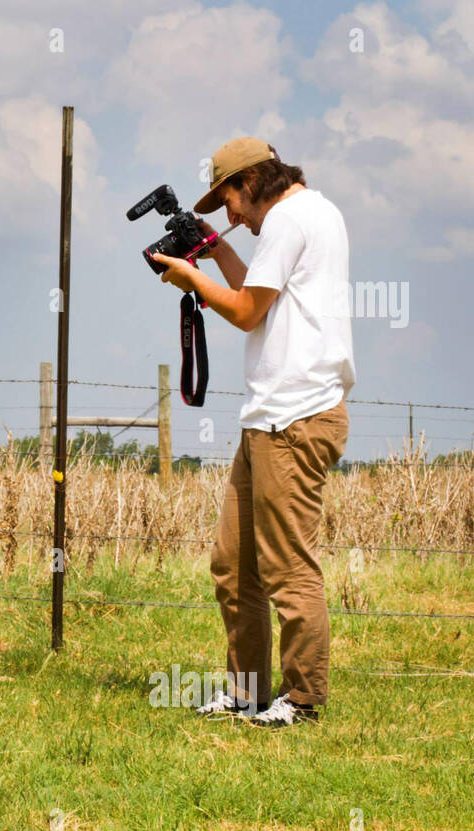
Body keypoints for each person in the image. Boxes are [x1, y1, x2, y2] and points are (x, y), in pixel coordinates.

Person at [149, 137, 355, 727]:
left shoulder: (290, 219)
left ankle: (304, 700)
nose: (229, 215)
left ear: (253, 179)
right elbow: (253, 296)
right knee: (234, 563)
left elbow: (242, 312)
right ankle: (248, 694)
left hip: (293, 417)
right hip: (270, 416)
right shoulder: (313, 212)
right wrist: (209, 253)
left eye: (229, 200)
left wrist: (189, 277)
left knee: (287, 566)